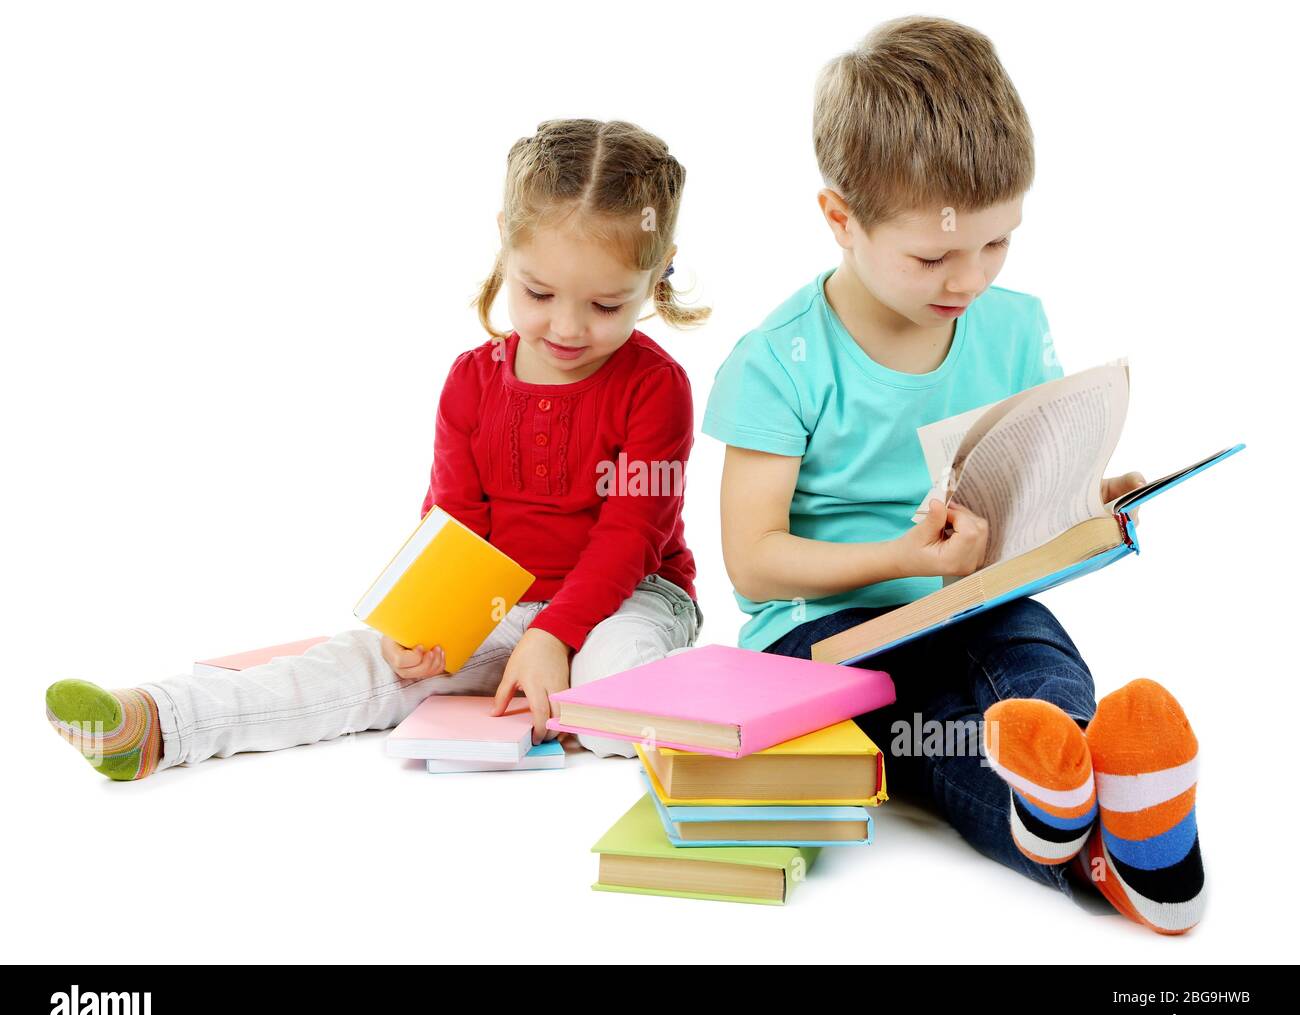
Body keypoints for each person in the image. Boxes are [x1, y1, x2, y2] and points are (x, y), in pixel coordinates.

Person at [701, 17, 1204, 934]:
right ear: (839, 219)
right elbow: (753, 562)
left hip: (969, 597)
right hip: (825, 638)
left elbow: (1025, 486)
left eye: (997, 243)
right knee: (929, 735)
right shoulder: (779, 360)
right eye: (933, 255)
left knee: (1036, 650)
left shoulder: (1015, 324)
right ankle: (1105, 849)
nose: (968, 278)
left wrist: (1092, 503)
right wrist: (904, 555)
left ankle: (1088, 769)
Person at [47, 118, 707, 778]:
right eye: (539, 293)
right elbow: (452, 524)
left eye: (605, 305)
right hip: (506, 606)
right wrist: (424, 621)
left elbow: (629, 537)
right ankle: (162, 722)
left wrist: (553, 635)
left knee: (615, 693)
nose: (567, 326)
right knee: (358, 667)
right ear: (506, 241)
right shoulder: (470, 383)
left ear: (658, 273)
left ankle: (677, 708)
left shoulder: (657, 389)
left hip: (633, 595)